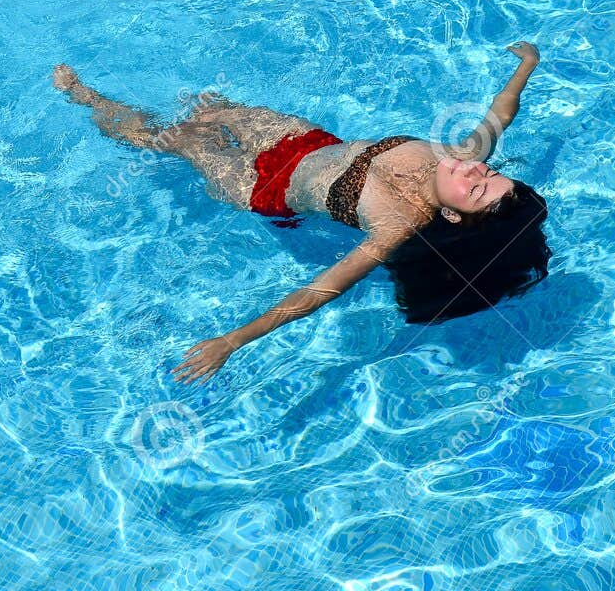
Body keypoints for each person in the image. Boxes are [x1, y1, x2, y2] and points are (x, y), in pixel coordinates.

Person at [53, 42, 549, 383]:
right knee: (210, 107)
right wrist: (528, 64)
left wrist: (232, 341)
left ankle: (87, 98)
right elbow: (502, 112)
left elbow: (320, 291)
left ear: (455, 217)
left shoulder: (397, 224)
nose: (476, 172)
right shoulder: (461, 155)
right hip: (301, 141)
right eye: (488, 173)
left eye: (477, 190)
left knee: (171, 138)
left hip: (260, 188)